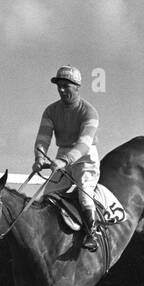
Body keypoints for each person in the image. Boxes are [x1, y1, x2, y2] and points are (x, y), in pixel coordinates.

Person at [32, 66, 102, 251]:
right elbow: (43, 138)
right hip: (62, 156)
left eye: (66, 86)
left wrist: (64, 161)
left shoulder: (89, 112)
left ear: (77, 87)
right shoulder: (50, 111)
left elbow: (84, 144)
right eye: (59, 86)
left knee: (85, 195)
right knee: (47, 195)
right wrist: (39, 157)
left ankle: (92, 234)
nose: (61, 90)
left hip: (85, 157)